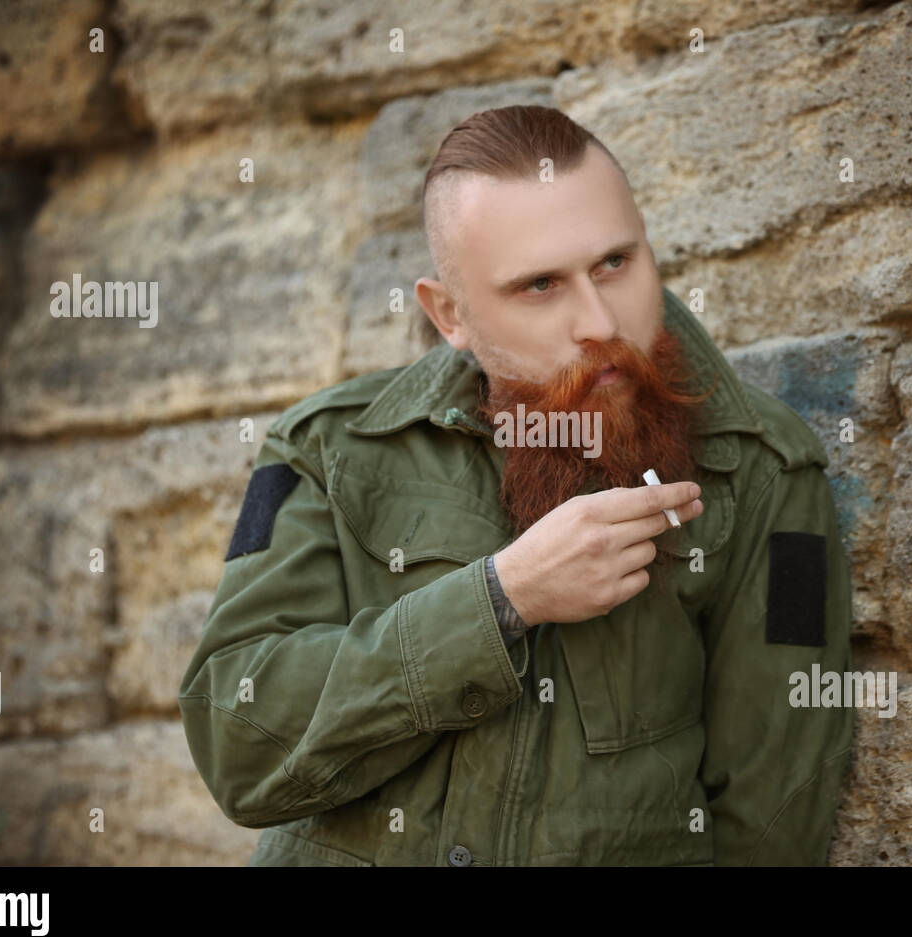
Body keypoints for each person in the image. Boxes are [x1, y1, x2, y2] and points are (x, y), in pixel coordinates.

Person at [179, 105, 854, 866]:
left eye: (615, 264)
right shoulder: (326, 449)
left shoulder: (765, 469)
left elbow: (772, 816)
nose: (599, 321)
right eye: (540, 286)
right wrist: (500, 599)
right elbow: (238, 747)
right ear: (449, 313)